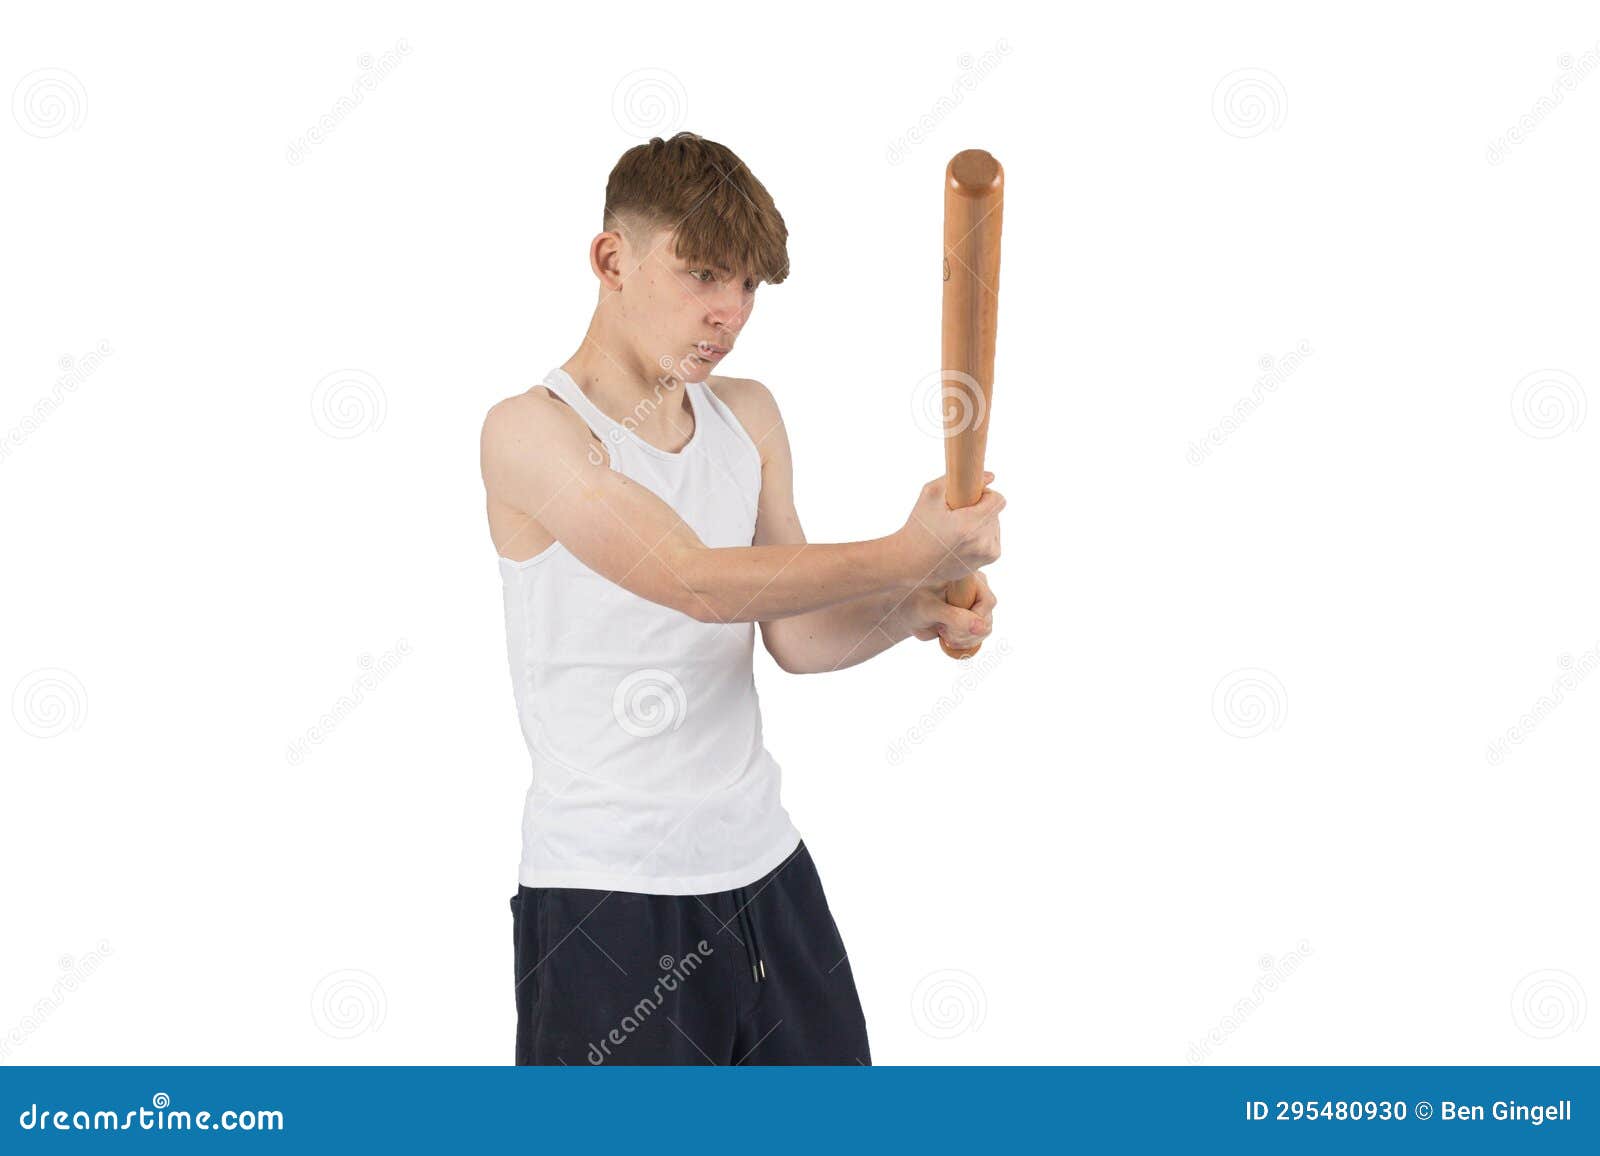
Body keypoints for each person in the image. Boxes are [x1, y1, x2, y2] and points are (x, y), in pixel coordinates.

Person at [478, 131, 1003, 1065]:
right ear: (612, 259)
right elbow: (693, 580)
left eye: (750, 286)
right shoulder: (530, 433)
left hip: (766, 875)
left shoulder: (747, 416)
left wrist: (915, 603)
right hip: (607, 894)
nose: (730, 312)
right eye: (705, 274)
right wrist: (903, 551)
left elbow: (796, 635)